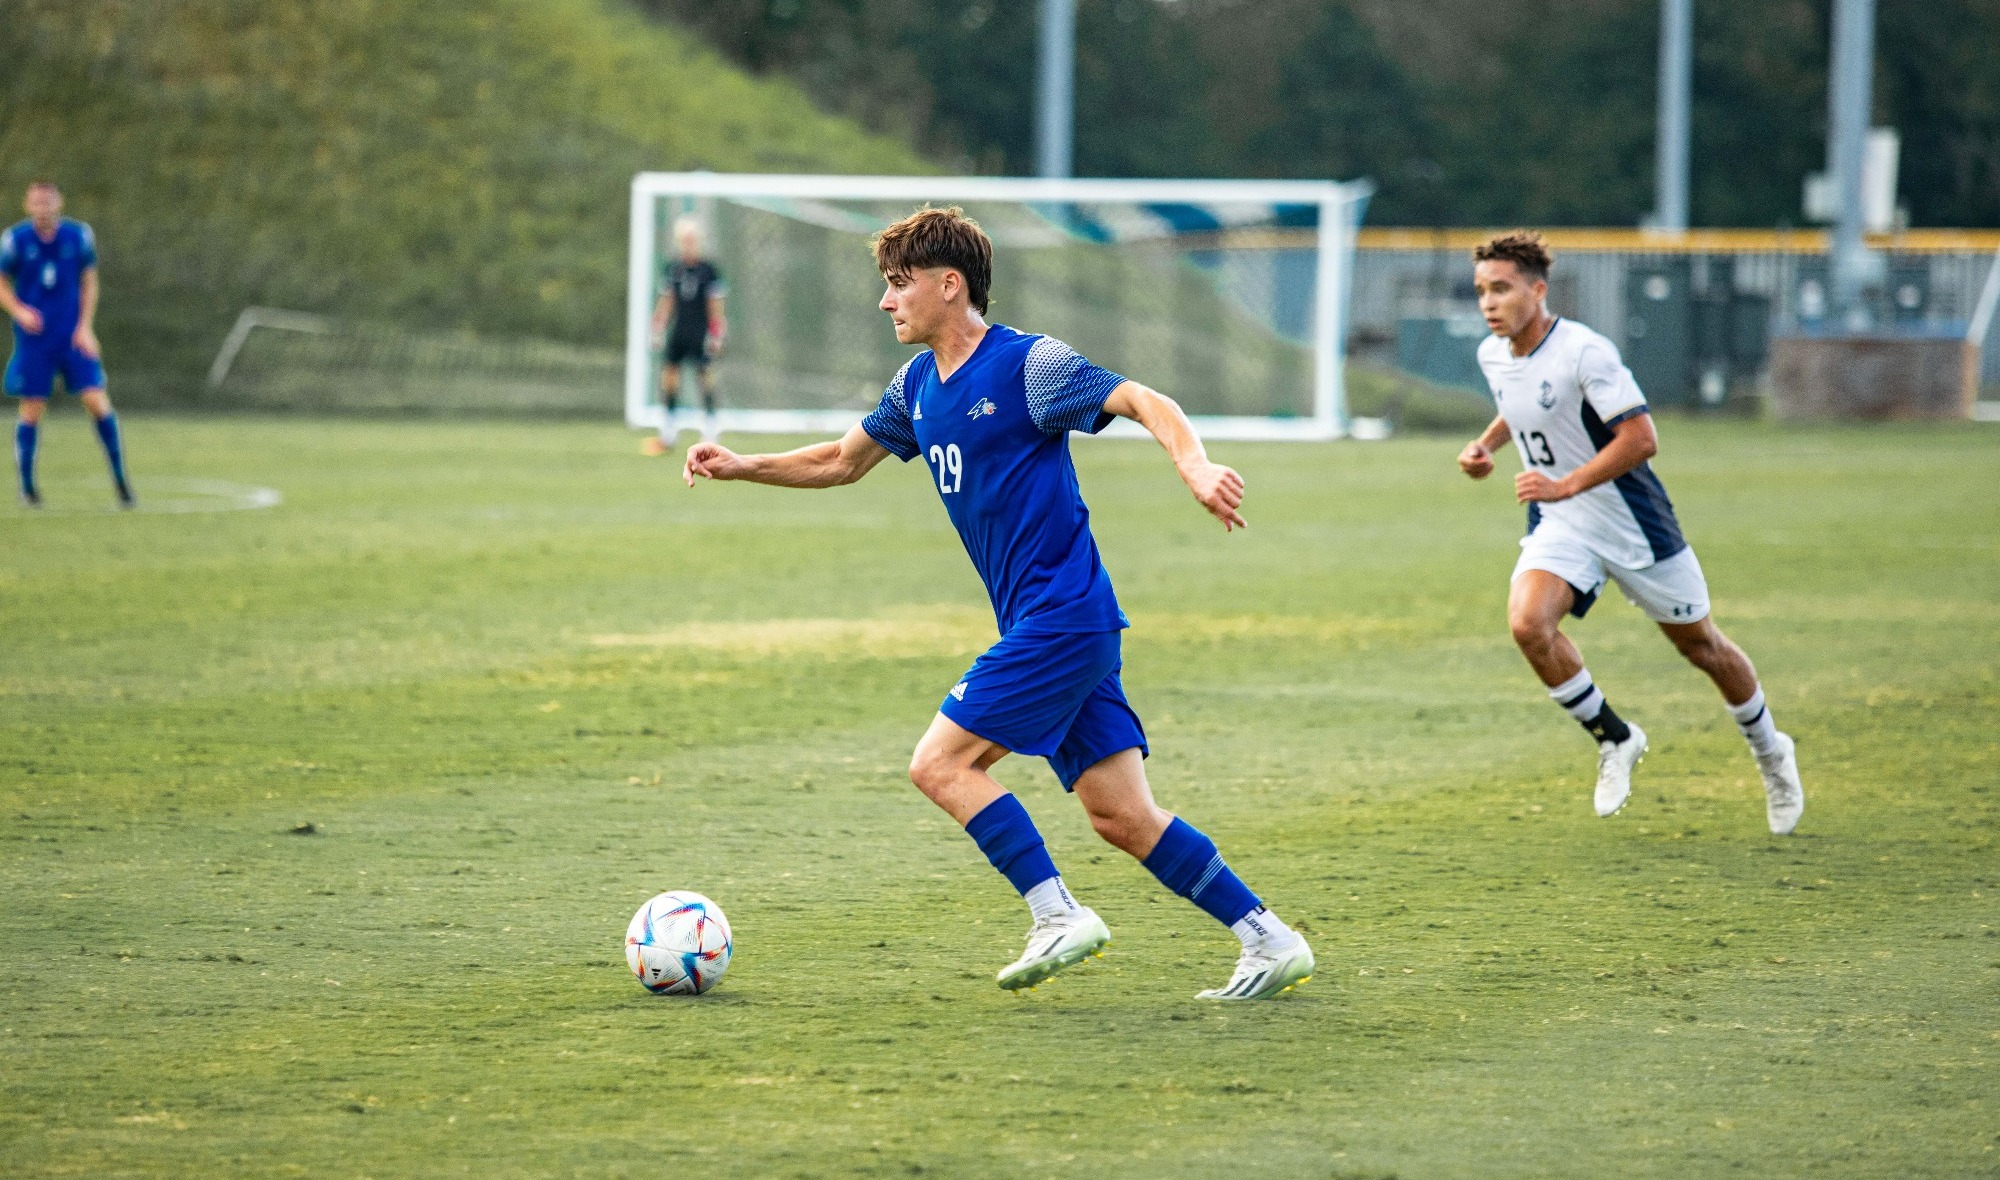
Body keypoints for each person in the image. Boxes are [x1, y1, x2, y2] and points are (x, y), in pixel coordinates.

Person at [682, 207, 1314, 999]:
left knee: (940, 764)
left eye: (897, 283)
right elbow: (841, 462)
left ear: (950, 286)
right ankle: (1268, 937)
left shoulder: (1028, 365)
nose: (886, 302)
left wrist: (1193, 465)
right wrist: (743, 466)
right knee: (1122, 817)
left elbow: (1145, 399)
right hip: (1059, 625)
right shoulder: (916, 384)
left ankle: (1056, 913)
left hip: (1063, 616)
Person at [1455, 231, 1803, 833]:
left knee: (1702, 648)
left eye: (1502, 289)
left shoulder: (1586, 351)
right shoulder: (1494, 354)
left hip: (1632, 524)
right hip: (1562, 525)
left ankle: (1772, 751)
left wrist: (1565, 483)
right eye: (1481, 290)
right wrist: (1486, 445)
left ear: (1538, 291)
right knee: (1528, 624)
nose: (1488, 302)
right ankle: (1616, 739)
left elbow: (1641, 439)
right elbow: (1523, 404)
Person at [1, 180, 131, 508]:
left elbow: (89, 279)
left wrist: (86, 327)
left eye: (48, 202)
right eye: (37, 203)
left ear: (59, 202)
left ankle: (121, 481)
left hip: (72, 336)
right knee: (32, 407)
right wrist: (19, 310)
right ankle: (28, 488)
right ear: (28, 206)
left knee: (97, 401)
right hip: (35, 340)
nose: (43, 209)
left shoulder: (77, 236)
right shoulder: (15, 240)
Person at [643, 216, 727, 455]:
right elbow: (667, 301)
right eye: (685, 240)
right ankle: (668, 434)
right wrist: (658, 326)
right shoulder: (674, 268)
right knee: (669, 378)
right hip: (679, 330)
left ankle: (710, 432)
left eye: (692, 239)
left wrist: (716, 332)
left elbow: (716, 304)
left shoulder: (708, 270)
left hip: (700, 332)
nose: (689, 244)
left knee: (705, 379)